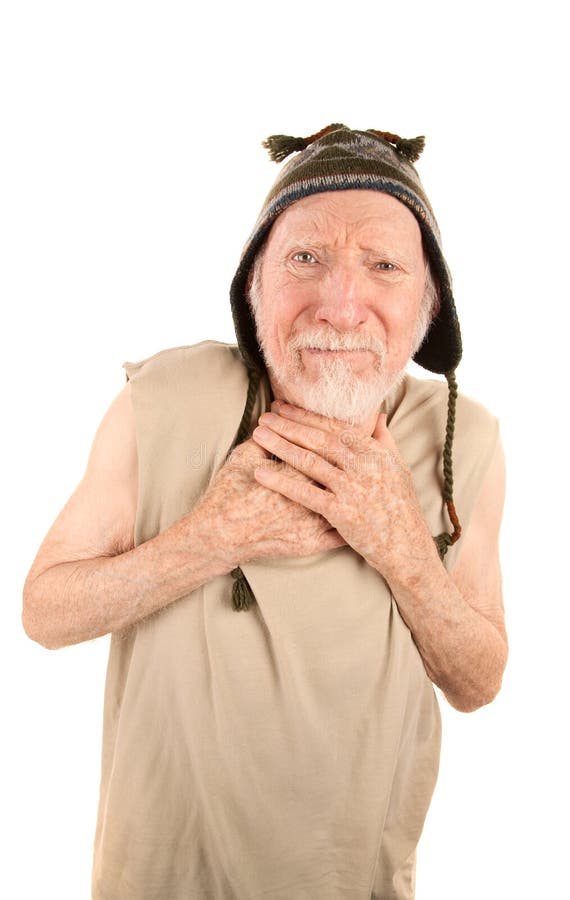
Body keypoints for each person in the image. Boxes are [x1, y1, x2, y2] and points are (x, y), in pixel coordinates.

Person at [22, 124, 508, 900]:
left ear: (428, 301)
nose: (341, 305)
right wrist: (213, 536)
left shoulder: (462, 440)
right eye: (305, 259)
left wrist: (402, 546)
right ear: (255, 287)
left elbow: (479, 680)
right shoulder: (169, 400)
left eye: (383, 265)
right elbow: (44, 611)